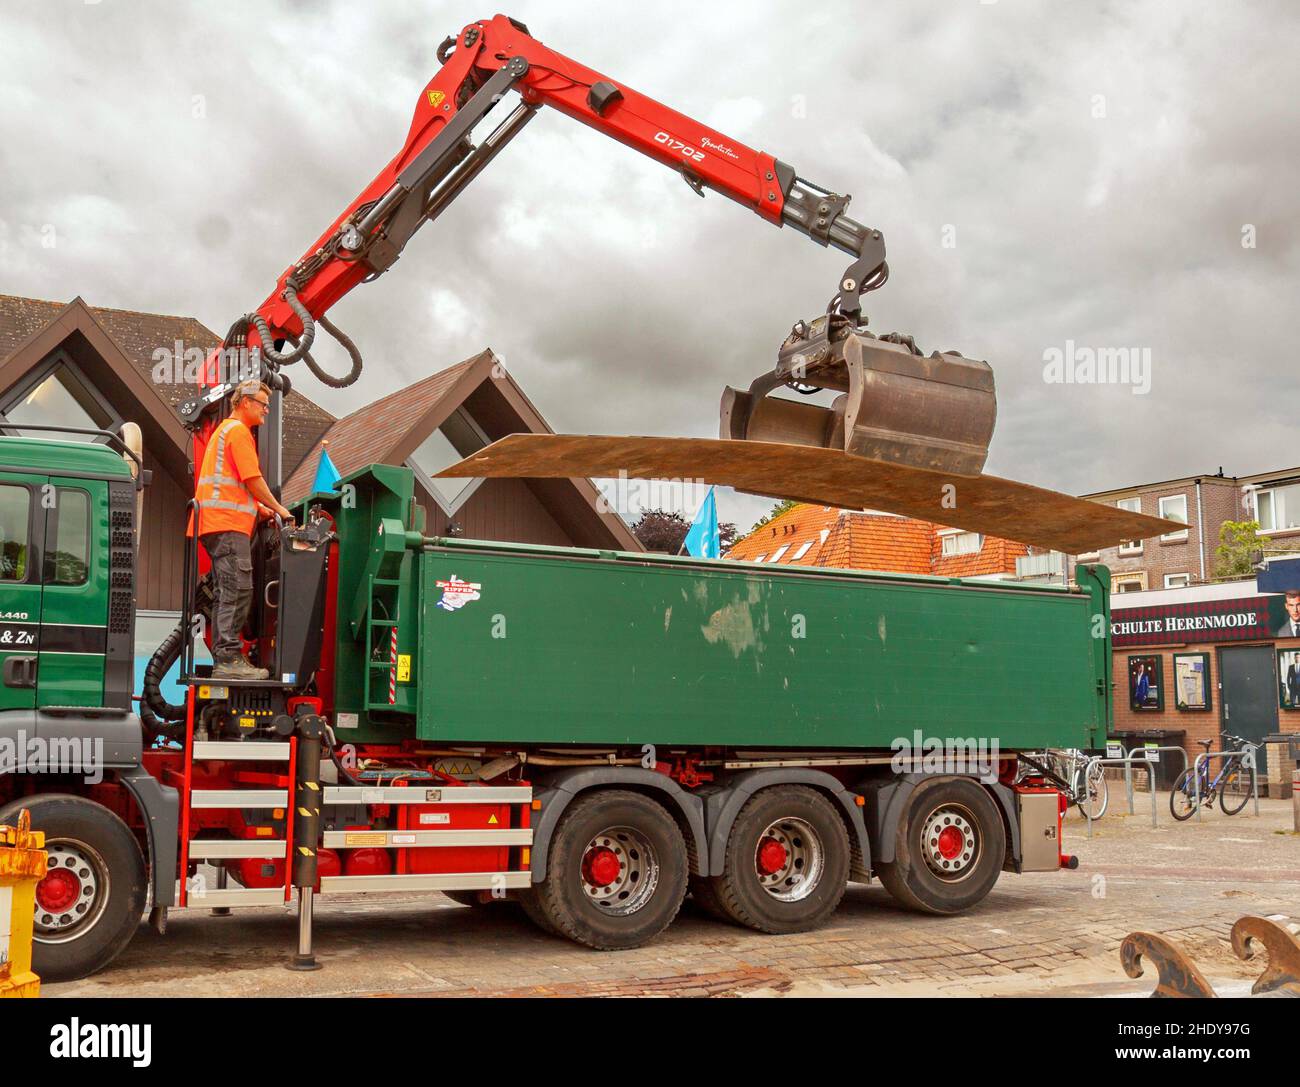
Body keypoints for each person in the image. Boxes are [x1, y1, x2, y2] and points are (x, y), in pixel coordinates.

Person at [192, 380, 294, 679]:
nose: (265, 409)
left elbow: (236, 487)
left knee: (230, 590)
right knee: (238, 590)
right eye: (262, 403)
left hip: (220, 523)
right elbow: (252, 479)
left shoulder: (225, 432)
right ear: (245, 402)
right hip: (226, 525)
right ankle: (228, 660)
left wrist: (259, 510)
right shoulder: (237, 432)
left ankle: (228, 657)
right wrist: (279, 509)